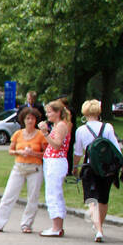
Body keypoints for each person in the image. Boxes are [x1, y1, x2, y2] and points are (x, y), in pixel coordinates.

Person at [74, 99, 123, 243]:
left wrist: (74, 167)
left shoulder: (81, 130)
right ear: (99, 111)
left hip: (90, 168)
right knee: (103, 199)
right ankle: (99, 226)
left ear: (85, 113)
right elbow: (116, 149)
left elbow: (78, 152)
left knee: (92, 200)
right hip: (107, 168)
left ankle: (98, 229)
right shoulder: (108, 127)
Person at [0, 106, 46, 233]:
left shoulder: (40, 135)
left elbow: (45, 154)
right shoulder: (18, 134)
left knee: (33, 198)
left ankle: (27, 224)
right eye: (28, 118)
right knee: (8, 195)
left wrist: (33, 154)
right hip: (19, 167)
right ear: (23, 120)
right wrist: (19, 152)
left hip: (34, 168)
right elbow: (11, 150)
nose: (30, 121)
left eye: (33, 118)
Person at [40, 98, 73, 237]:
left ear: (58, 112)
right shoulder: (58, 125)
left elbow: (57, 145)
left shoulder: (60, 126)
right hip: (53, 161)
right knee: (54, 193)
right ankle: (57, 225)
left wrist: (45, 133)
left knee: (53, 194)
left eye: (49, 112)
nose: (47, 115)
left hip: (56, 161)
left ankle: (56, 227)